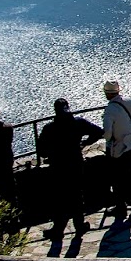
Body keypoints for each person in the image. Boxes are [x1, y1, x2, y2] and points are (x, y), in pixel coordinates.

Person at [36, 97, 102, 238]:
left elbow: (41, 150)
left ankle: (58, 230)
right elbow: (98, 132)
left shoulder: (49, 128)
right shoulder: (78, 123)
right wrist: (85, 142)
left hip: (57, 166)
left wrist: (50, 153)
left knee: (59, 198)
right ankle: (79, 226)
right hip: (75, 164)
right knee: (77, 195)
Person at [101, 81, 131, 217]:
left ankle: (120, 208)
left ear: (107, 94)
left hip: (117, 150)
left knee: (117, 181)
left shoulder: (110, 110)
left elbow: (108, 134)